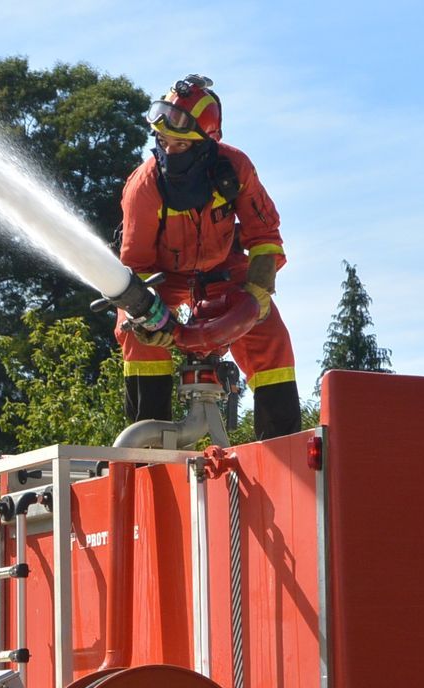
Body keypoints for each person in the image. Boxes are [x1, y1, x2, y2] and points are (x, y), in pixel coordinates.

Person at [114, 74, 302, 440]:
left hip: (223, 269)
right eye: (163, 141)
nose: (169, 151)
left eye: (181, 143)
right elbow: (136, 269)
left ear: (207, 144)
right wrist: (147, 318)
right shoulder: (144, 185)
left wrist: (258, 292)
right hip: (161, 278)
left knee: (270, 335)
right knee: (135, 336)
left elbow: (264, 236)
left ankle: (281, 446)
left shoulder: (235, 168)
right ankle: (147, 449)